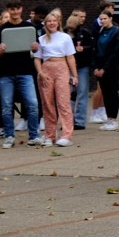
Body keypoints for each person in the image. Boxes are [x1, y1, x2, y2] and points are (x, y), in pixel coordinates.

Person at [0, 0, 43, 148]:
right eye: (12, 9)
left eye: (17, 8)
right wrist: (0, 51)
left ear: (21, 9)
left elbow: (35, 50)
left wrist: (34, 48)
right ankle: (9, 136)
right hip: (5, 73)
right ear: (8, 10)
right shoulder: (1, 30)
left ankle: (34, 135)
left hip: (25, 71)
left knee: (32, 104)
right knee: (6, 106)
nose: (14, 12)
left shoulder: (29, 27)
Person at [34, 10, 78, 147]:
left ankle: (67, 135)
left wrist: (74, 75)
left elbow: (70, 57)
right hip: (46, 68)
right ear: (45, 23)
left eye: (54, 21)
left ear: (58, 22)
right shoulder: (41, 39)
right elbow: (37, 58)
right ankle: (49, 135)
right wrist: (40, 72)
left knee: (63, 102)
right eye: (49, 21)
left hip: (61, 67)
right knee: (47, 104)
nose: (52, 23)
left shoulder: (65, 37)